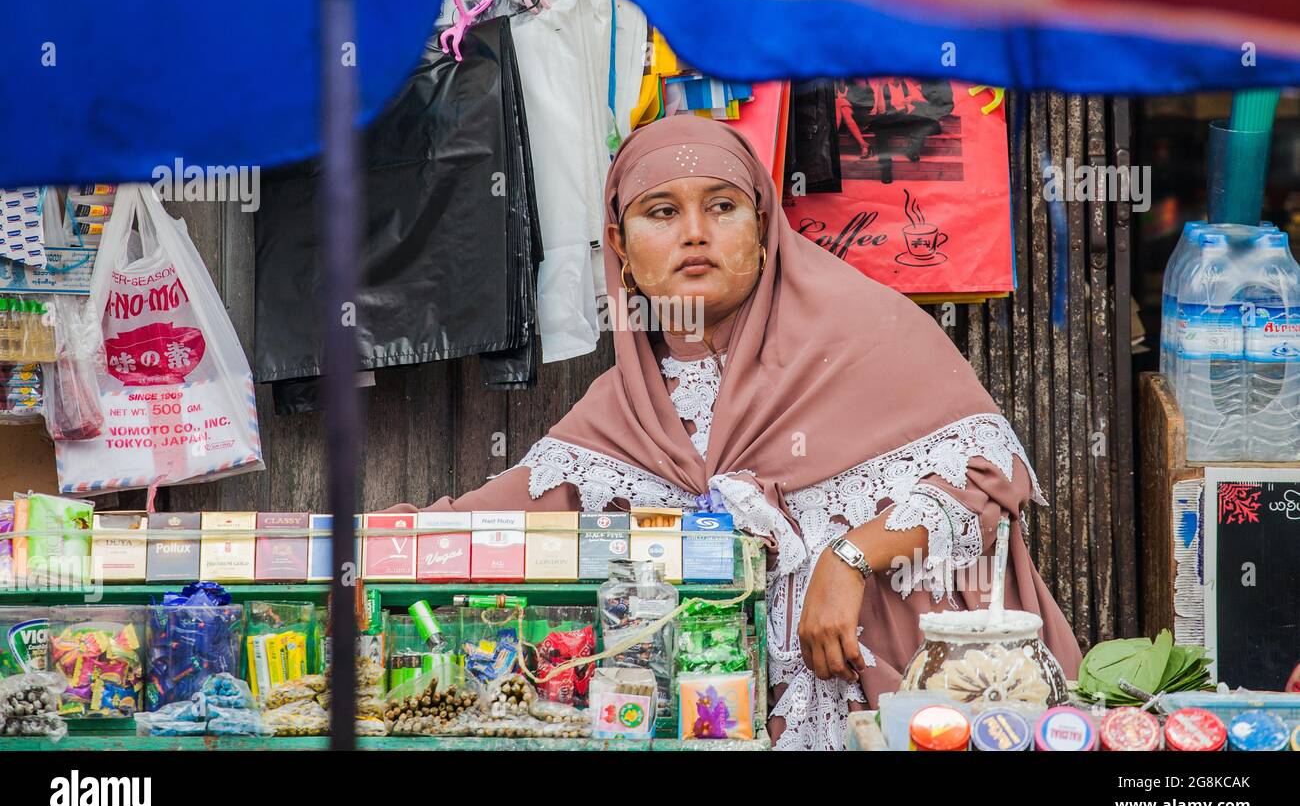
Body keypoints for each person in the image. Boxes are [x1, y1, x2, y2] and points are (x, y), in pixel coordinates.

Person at [415, 113, 1081, 750]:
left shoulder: (867, 329)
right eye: (662, 212)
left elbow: (990, 478)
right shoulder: (625, 410)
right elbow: (477, 524)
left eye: (723, 206)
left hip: (921, 713)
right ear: (620, 244)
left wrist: (851, 557)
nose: (695, 233)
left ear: (763, 225)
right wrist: (334, 552)